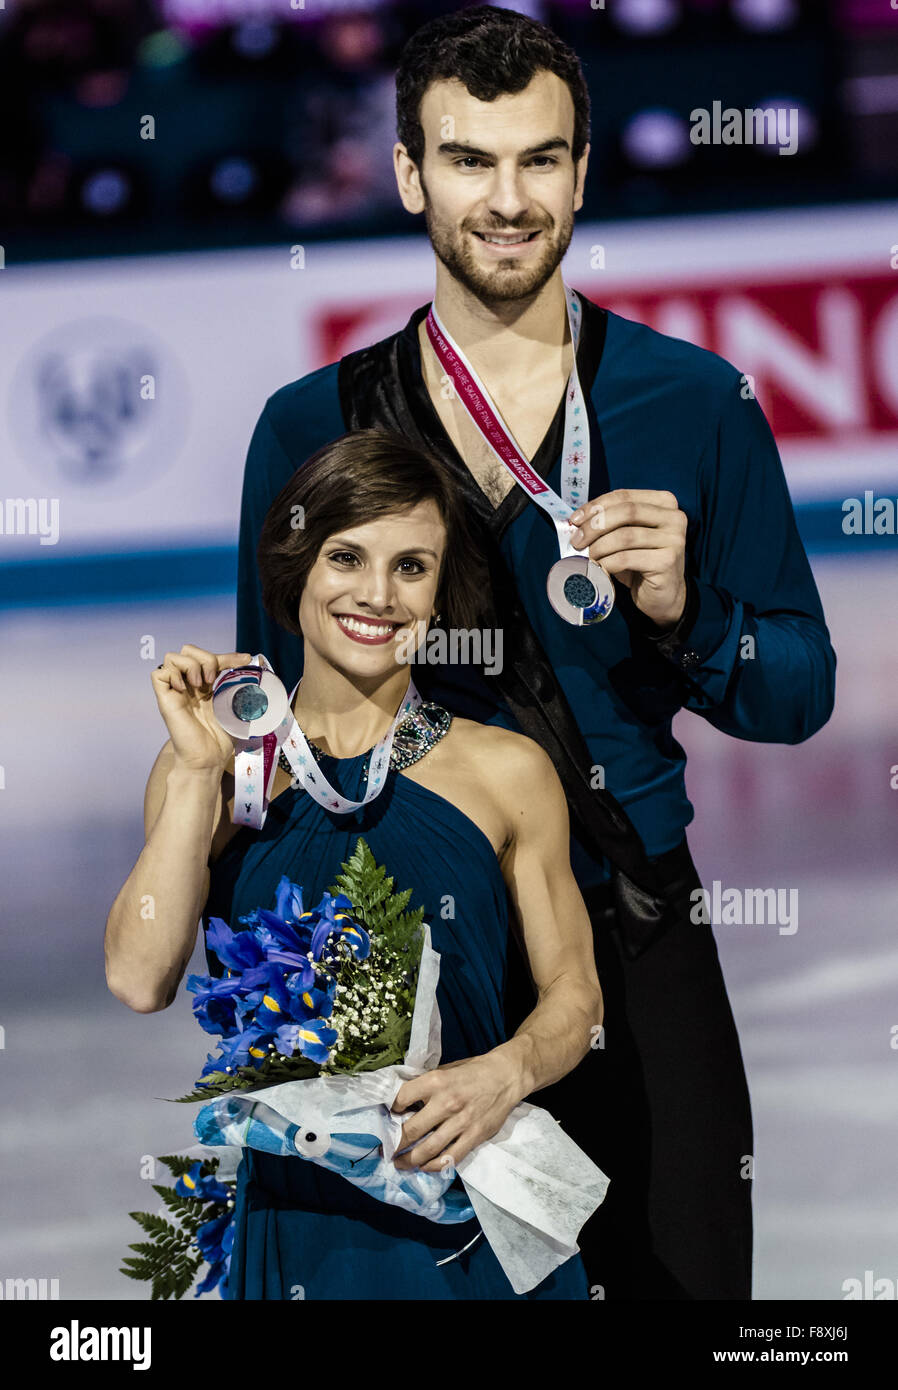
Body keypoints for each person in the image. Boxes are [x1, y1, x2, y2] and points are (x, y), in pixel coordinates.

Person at [233, 7, 837, 1300]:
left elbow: (797, 689)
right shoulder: (309, 428)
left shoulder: (692, 401)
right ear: (407, 173)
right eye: (467, 161)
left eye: (539, 161)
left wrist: (692, 614)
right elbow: (266, 750)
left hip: (635, 934)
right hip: (410, 957)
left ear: (580, 170)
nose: (507, 202)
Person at [104, 428, 604, 1300]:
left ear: (442, 594)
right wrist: (192, 768)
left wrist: (507, 1071)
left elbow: (576, 999)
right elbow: (140, 979)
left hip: (470, 1204)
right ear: (296, 566)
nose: (377, 594)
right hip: (299, 1231)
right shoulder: (219, 765)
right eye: (347, 557)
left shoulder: (506, 771)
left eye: (412, 567)